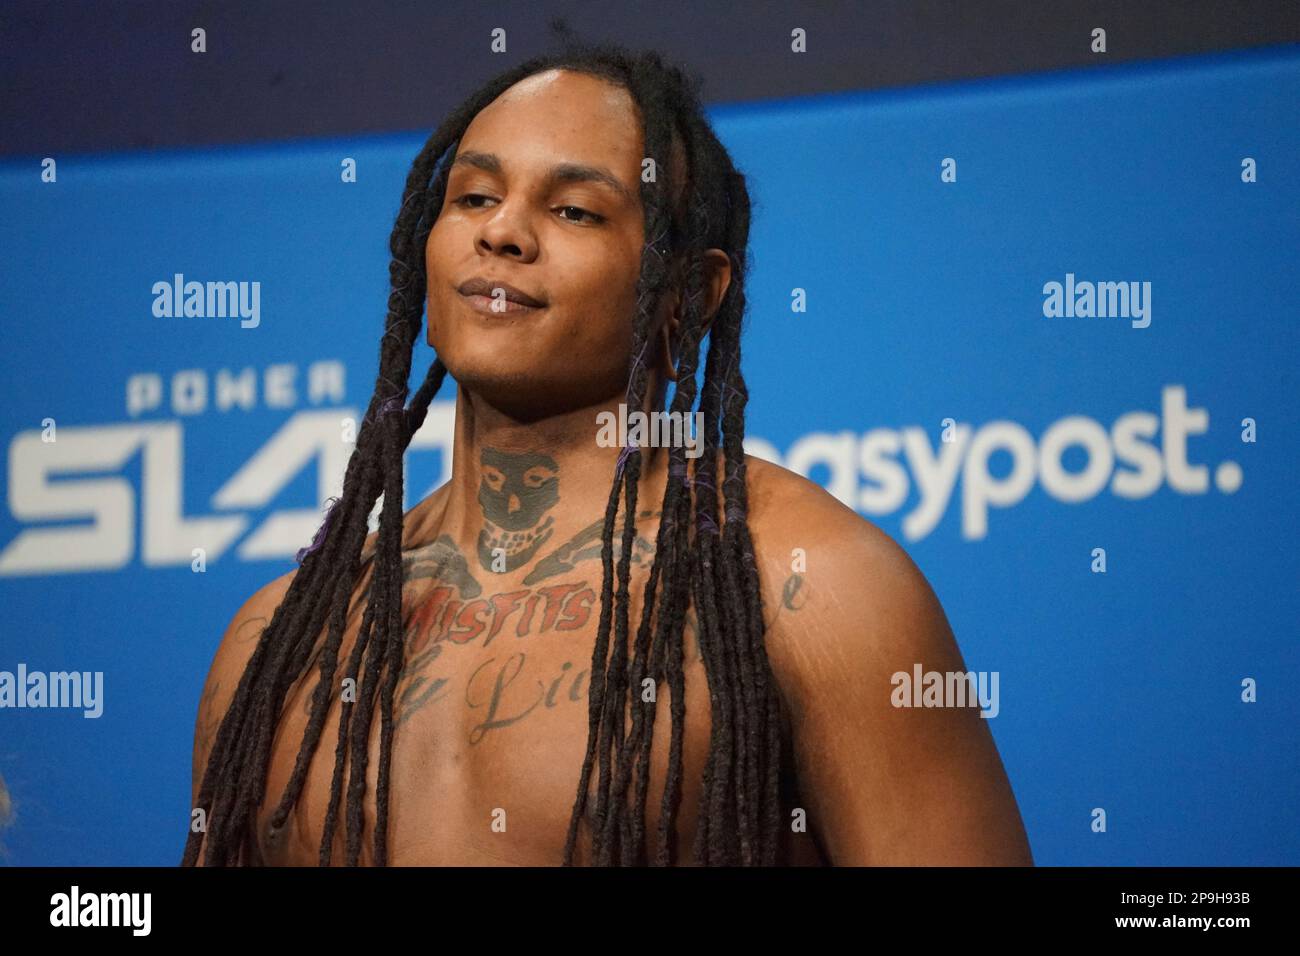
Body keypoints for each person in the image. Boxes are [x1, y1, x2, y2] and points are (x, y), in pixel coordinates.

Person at [183, 44, 1033, 867]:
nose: (504, 234)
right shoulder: (281, 640)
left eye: (574, 211)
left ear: (687, 295)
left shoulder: (813, 589)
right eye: (474, 198)